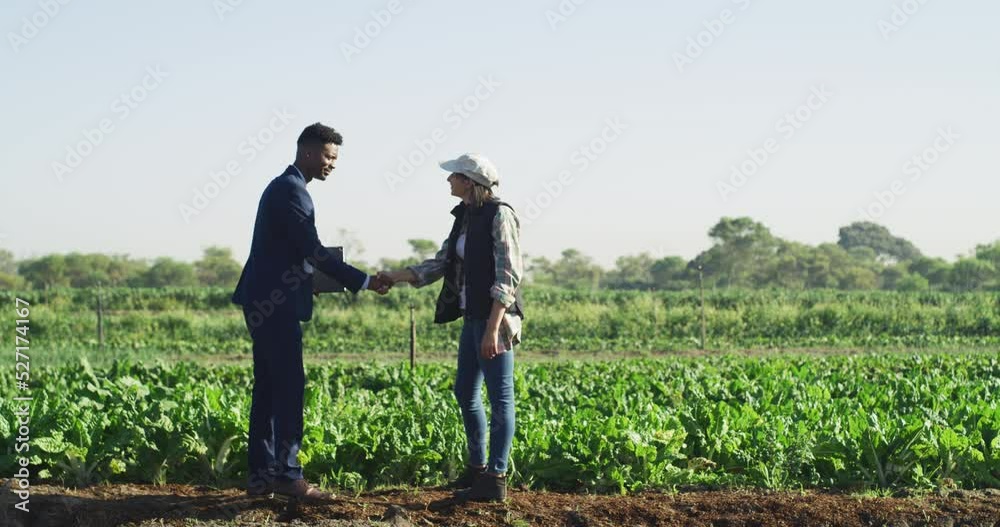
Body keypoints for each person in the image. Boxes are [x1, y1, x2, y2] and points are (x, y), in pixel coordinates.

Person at [231, 122, 391, 501]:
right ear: (307, 151)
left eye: (335, 158)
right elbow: (313, 251)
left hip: (264, 299)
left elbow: (288, 252)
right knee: (288, 388)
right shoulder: (293, 190)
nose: (332, 164)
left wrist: (308, 281)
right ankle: (288, 476)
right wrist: (364, 280)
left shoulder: (283, 187)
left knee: (268, 388)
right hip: (274, 305)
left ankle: (261, 478)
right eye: (328, 156)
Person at [379, 153, 524, 502]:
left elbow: (509, 275)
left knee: (500, 397)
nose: (449, 181)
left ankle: (496, 477)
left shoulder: (500, 215)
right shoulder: (466, 217)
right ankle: (477, 468)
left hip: (495, 321)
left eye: (454, 176)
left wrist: (492, 329)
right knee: (465, 392)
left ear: (470, 182)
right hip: (472, 317)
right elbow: (441, 262)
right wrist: (395, 276)